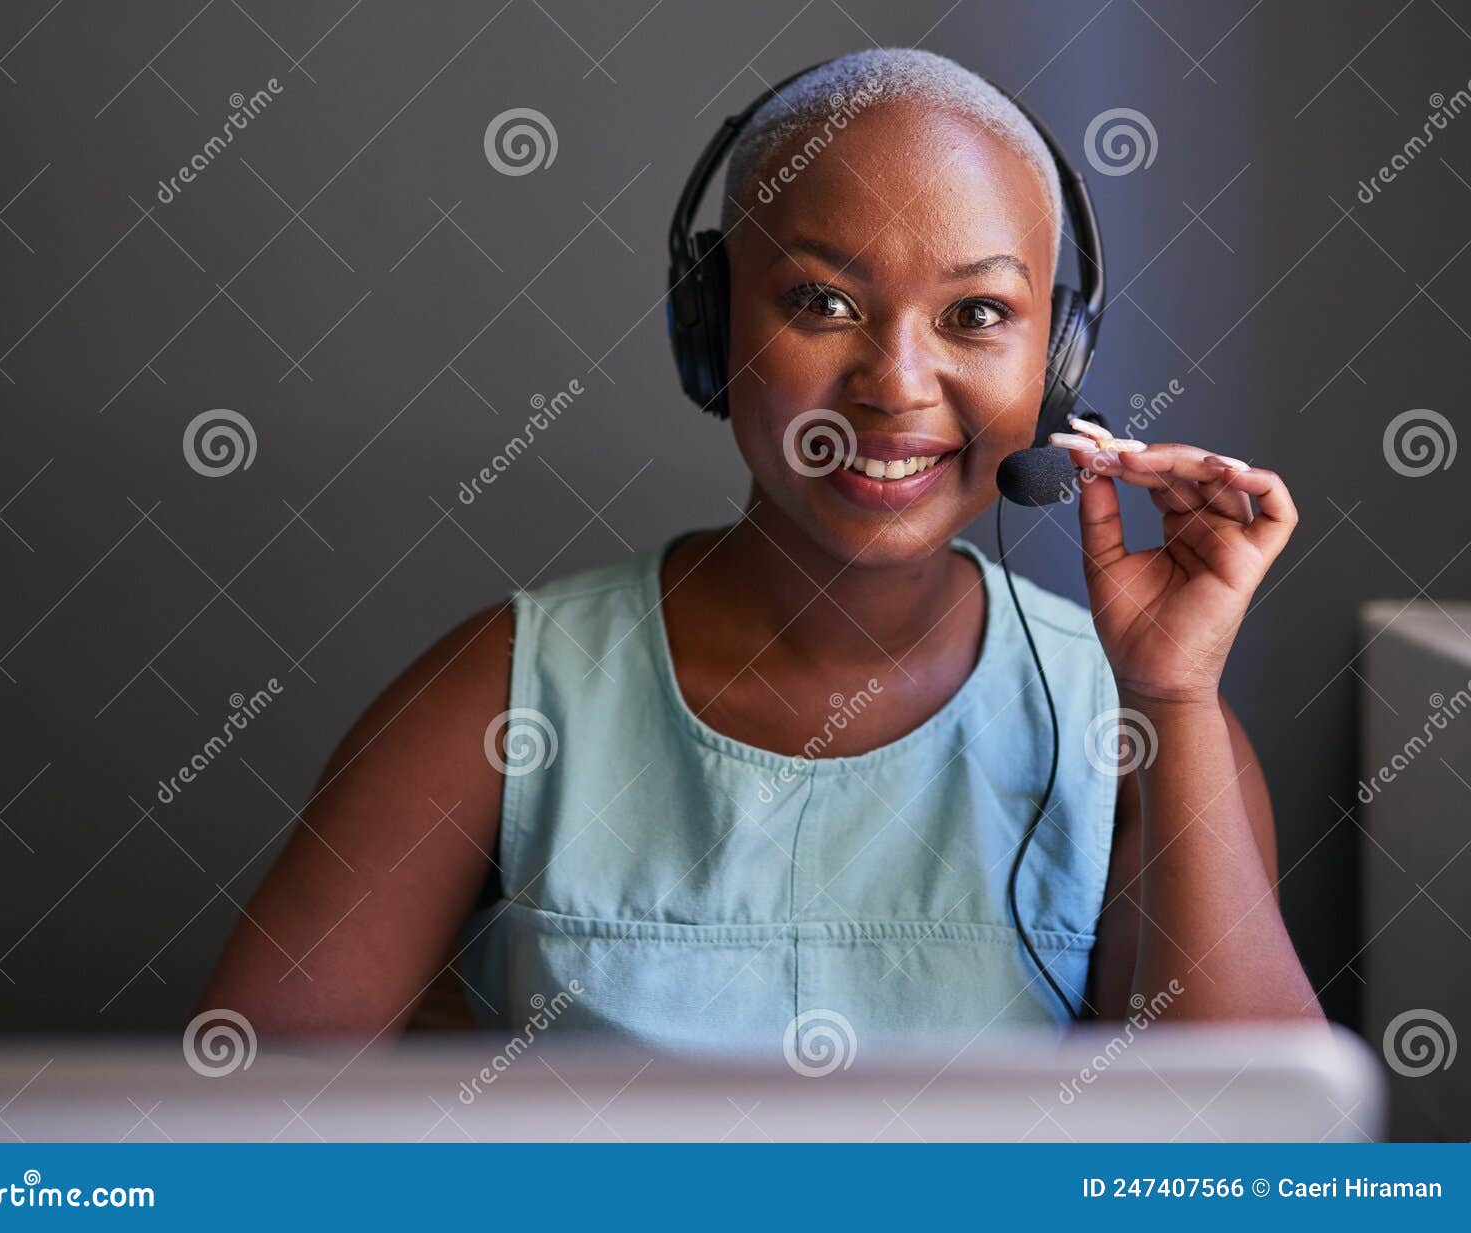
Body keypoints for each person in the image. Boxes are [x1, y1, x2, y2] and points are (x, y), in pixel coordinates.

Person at [199, 49, 1322, 1051]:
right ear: (711, 324)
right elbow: (230, 1146)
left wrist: (1171, 700)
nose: (893, 383)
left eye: (976, 314)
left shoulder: (1138, 724)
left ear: (1058, 360)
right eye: (821, 300)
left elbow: (1255, 1172)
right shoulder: (496, 697)